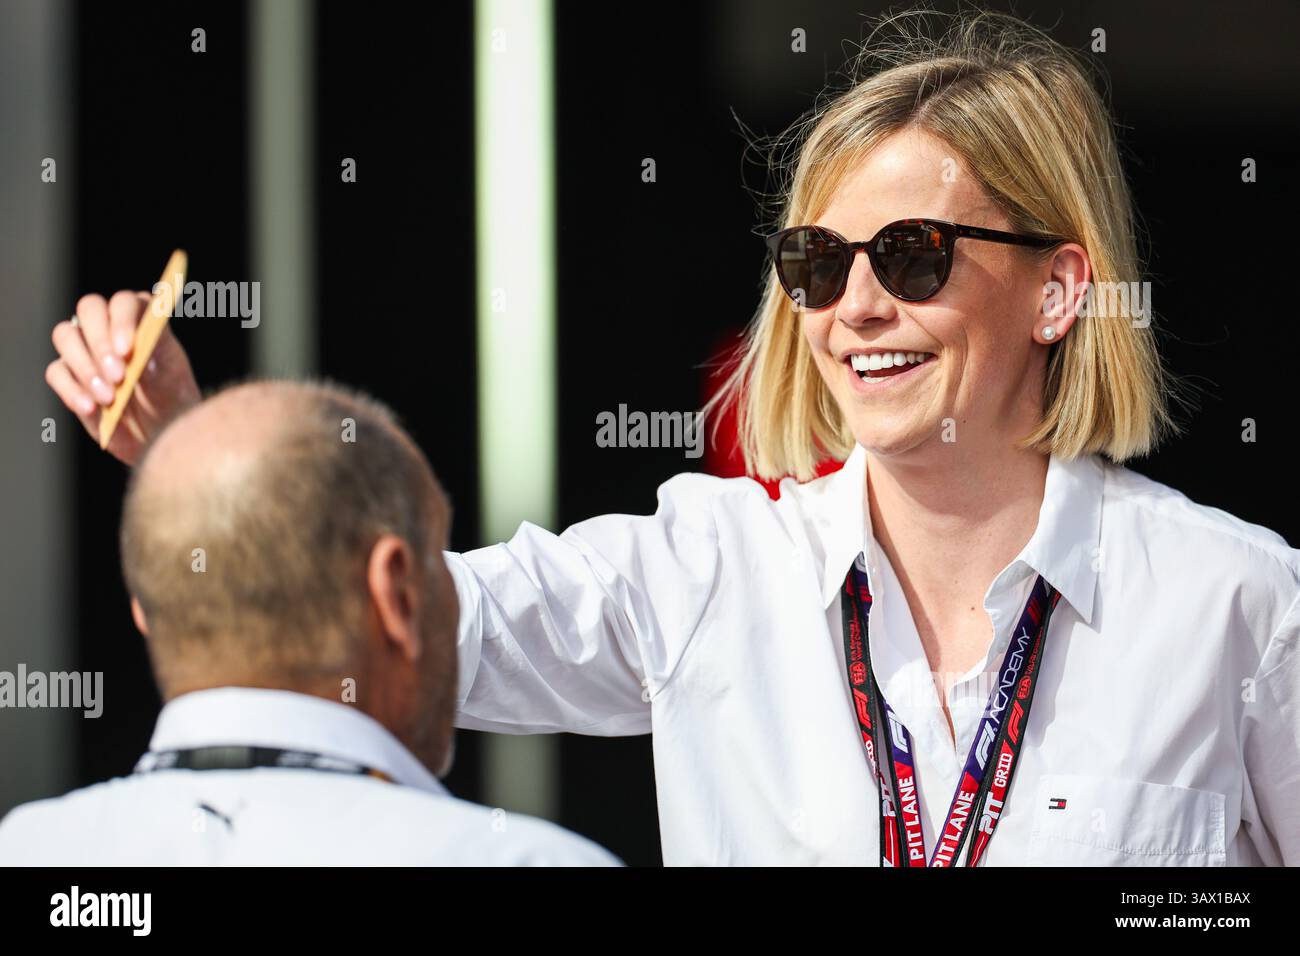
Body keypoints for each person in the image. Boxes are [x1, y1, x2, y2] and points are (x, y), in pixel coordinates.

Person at [42, 11, 1300, 866]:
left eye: (913, 255)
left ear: (1058, 289)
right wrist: (197, 450)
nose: (855, 306)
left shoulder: (1236, 600)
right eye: (816, 262)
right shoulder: (704, 566)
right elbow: (391, 622)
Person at [0, 380, 619, 866]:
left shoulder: (26, 850)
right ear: (398, 594)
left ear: (143, 609)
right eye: (441, 564)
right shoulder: (530, 861)